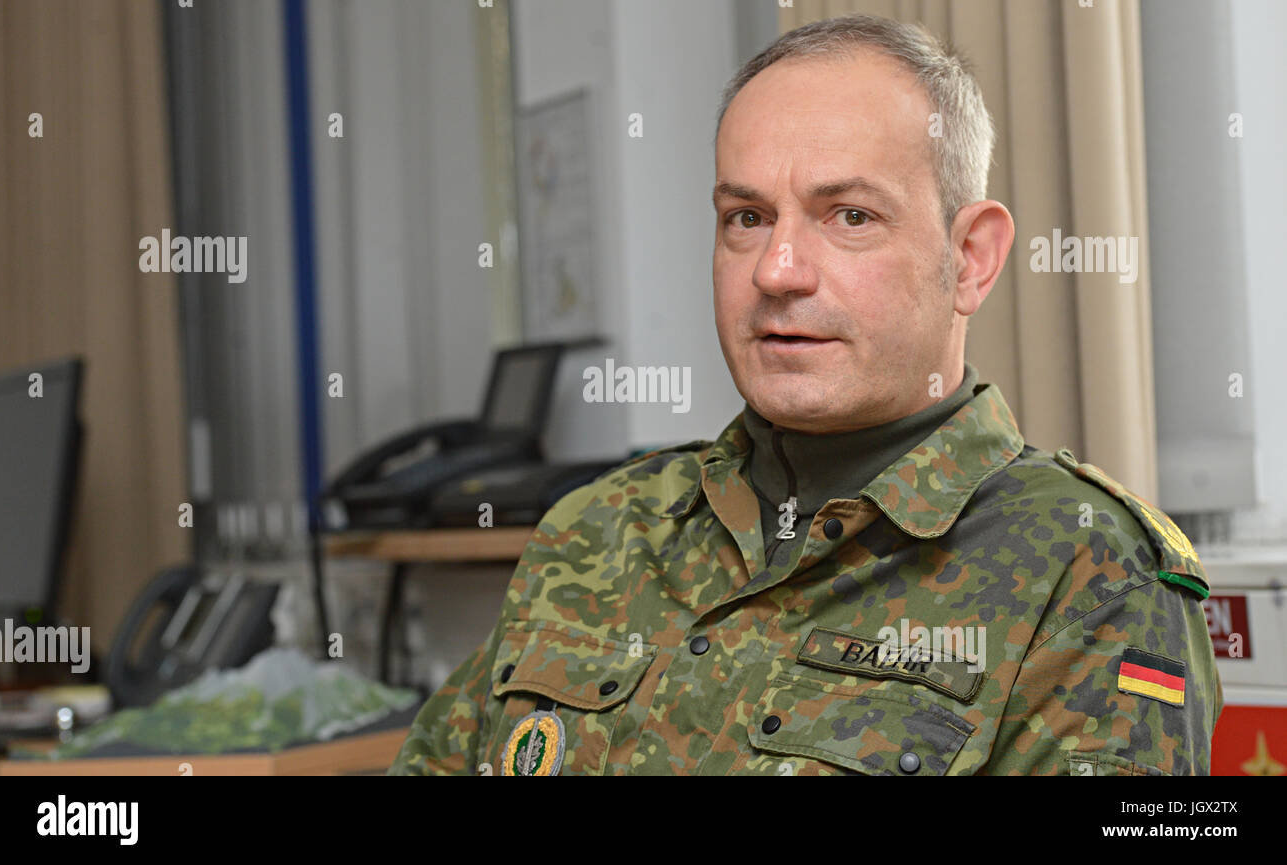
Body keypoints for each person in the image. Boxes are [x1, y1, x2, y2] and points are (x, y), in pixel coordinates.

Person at [389, 13, 1219, 776]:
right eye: (745, 217)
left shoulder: (1091, 574)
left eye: (849, 216)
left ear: (970, 259)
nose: (777, 270)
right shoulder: (595, 531)